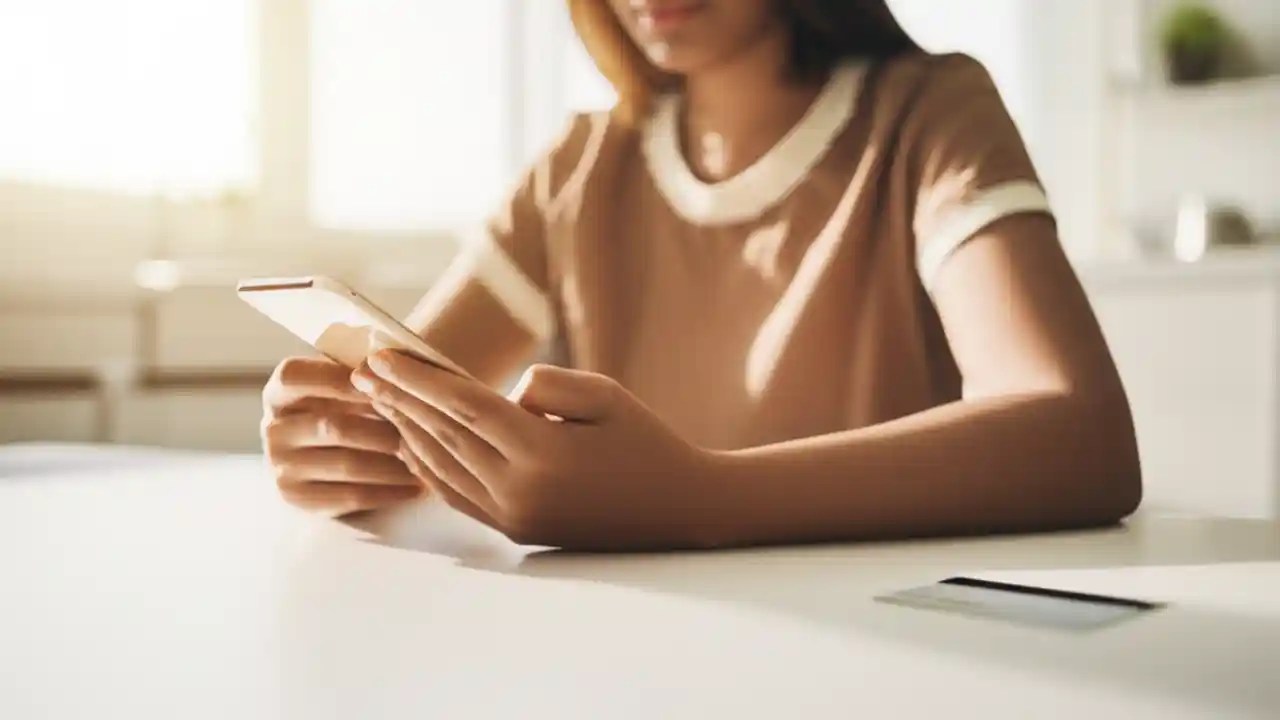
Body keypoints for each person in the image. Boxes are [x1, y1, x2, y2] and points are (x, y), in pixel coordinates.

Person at [261, 0, 1141, 550]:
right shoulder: (581, 167)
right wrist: (346, 438)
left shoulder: (928, 114)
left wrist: (702, 497)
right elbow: (412, 395)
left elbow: (1079, 438)